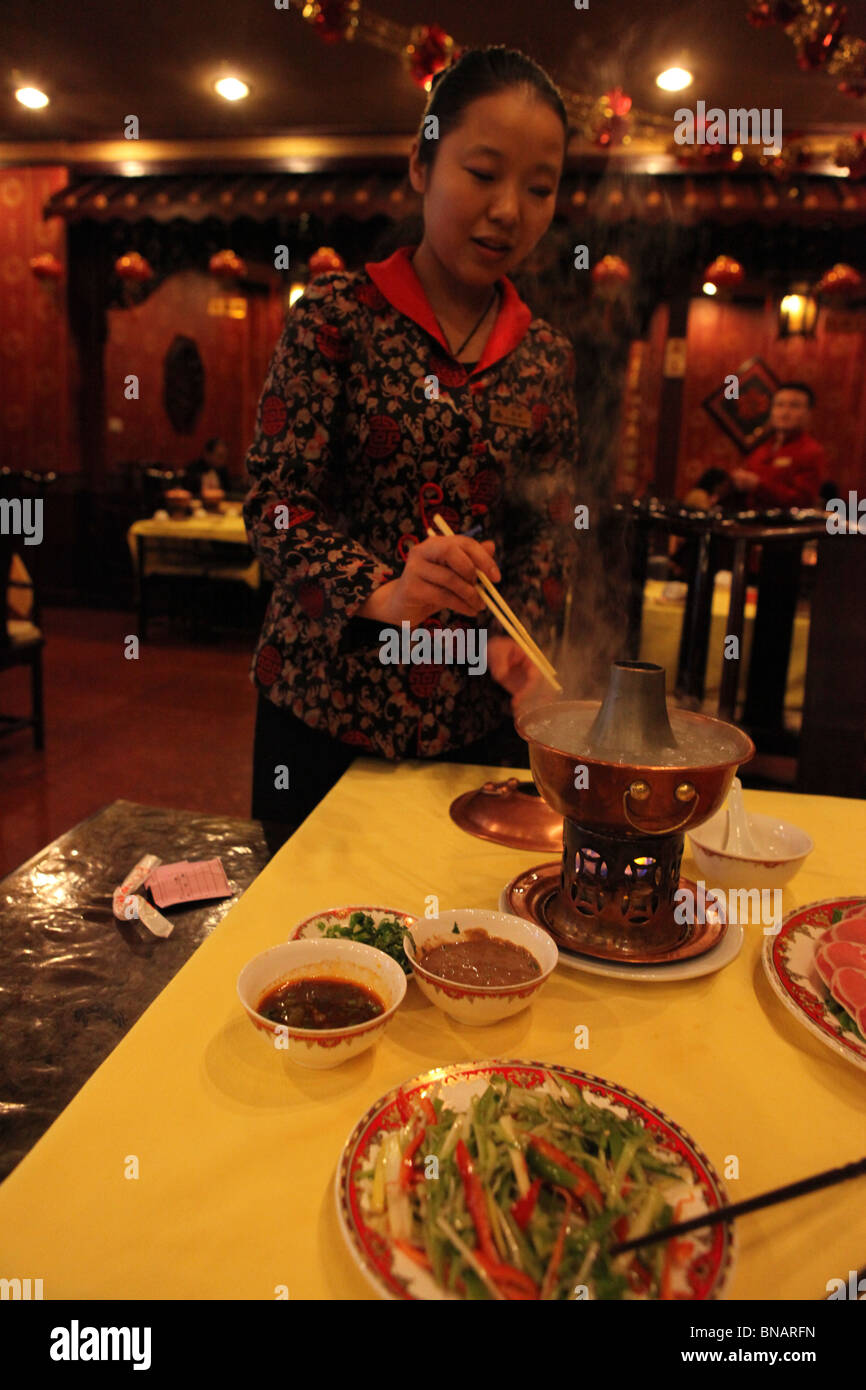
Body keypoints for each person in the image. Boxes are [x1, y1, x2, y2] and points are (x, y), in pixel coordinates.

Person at [243, 46, 579, 834]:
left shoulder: (546, 357)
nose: (510, 210)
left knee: (460, 943)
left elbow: (549, 529)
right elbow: (273, 502)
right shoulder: (336, 316)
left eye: (540, 187)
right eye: (483, 172)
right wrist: (383, 592)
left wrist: (515, 640)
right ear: (422, 164)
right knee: (320, 943)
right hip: (325, 710)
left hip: (473, 726)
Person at [730, 382, 826, 507]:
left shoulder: (810, 451)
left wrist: (758, 486)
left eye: (794, 406)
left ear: (808, 413)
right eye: (779, 405)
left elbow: (803, 501)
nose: (784, 413)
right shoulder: (761, 447)